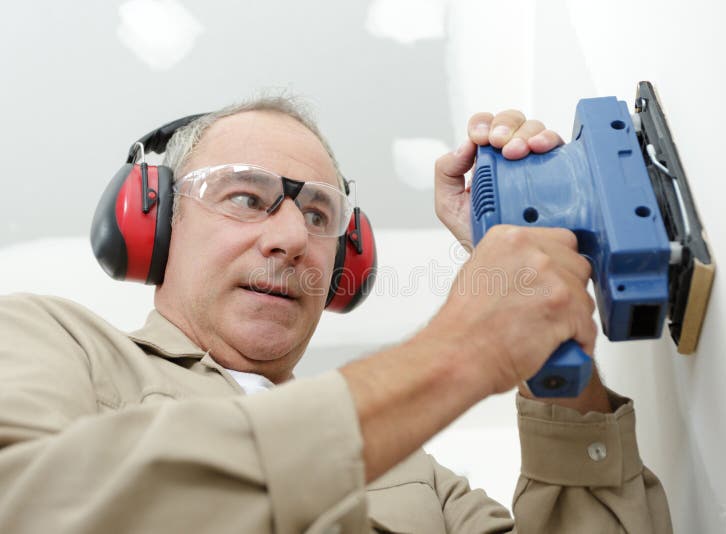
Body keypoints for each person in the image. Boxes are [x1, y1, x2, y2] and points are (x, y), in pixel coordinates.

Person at [0, 96, 671, 533]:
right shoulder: (51, 342)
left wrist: (525, 270)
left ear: (346, 262)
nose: (292, 237)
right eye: (243, 197)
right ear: (155, 224)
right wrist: (460, 354)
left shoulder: (417, 479)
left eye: (319, 214)